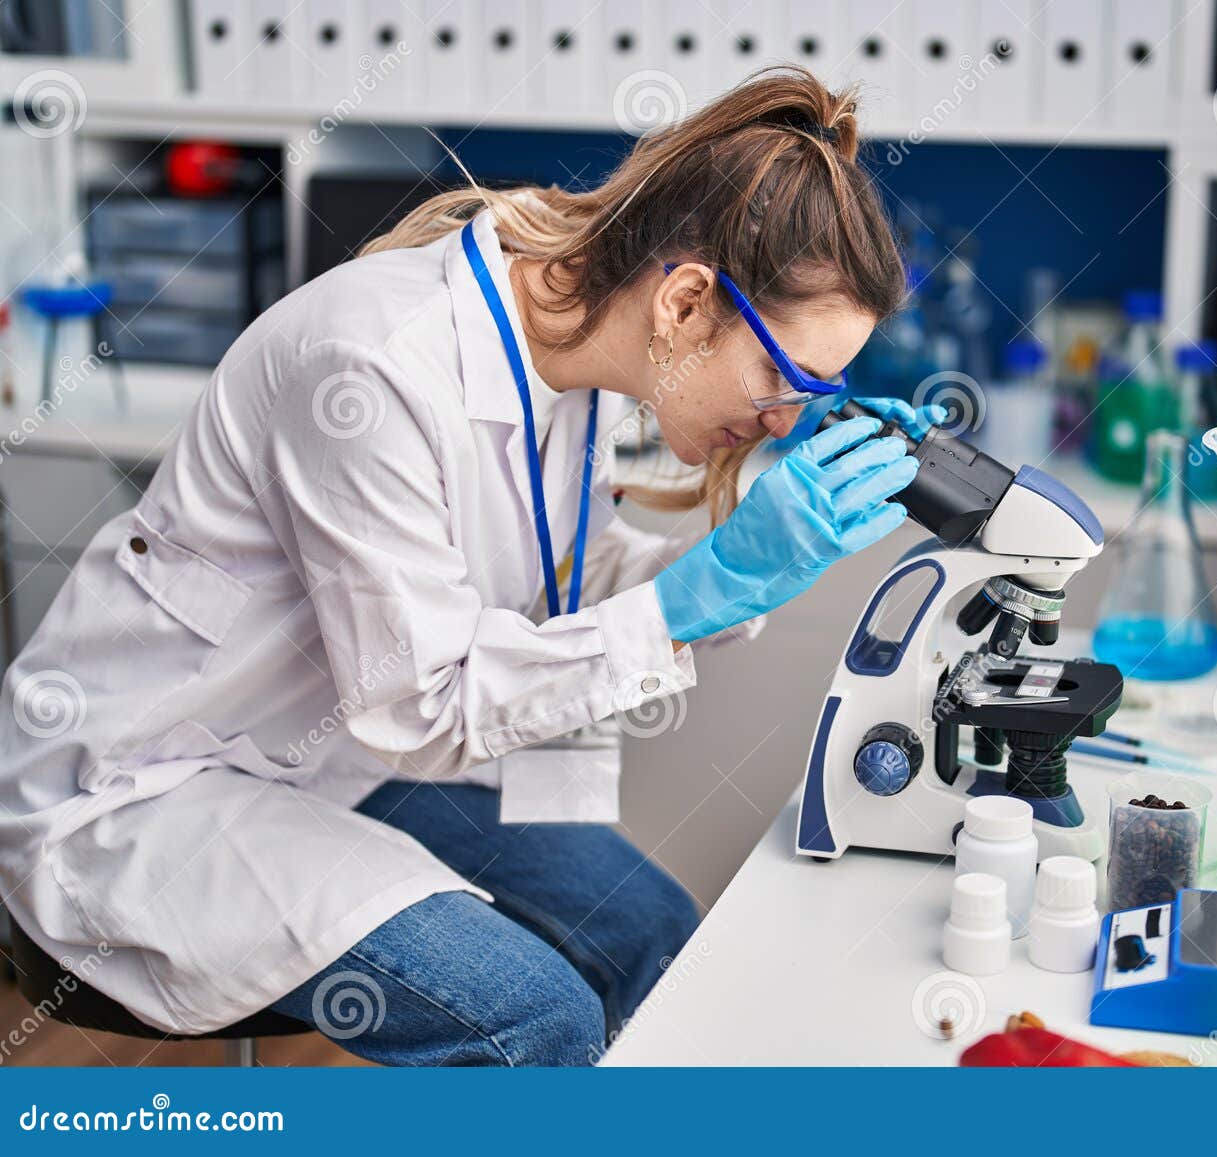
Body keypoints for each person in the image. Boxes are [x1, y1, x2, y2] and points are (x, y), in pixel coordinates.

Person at [0, 67, 939, 1066]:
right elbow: (423, 698)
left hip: (332, 750)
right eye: (789, 377)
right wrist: (689, 597)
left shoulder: (571, 334)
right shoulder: (372, 366)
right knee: (534, 1017)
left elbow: (547, 564)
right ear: (687, 299)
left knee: (655, 929)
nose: (785, 418)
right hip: (151, 789)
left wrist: (744, 565)